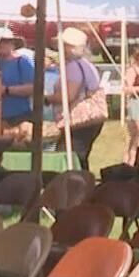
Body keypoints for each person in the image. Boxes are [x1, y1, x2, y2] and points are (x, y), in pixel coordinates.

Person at [52, 29, 106, 172]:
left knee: (68, 156)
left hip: (79, 120)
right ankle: (85, 188)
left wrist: (46, 98)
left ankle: (76, 189)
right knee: (80, 157)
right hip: (92, 119)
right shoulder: (87, 65)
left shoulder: (73, 67)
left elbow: (68, 95)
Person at [0, 29, 36, 134]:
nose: (2, 45)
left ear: (12, 44)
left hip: (19, 117)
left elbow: (33, 88)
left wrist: (6, 90)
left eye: (6, 41)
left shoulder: (23, 62)